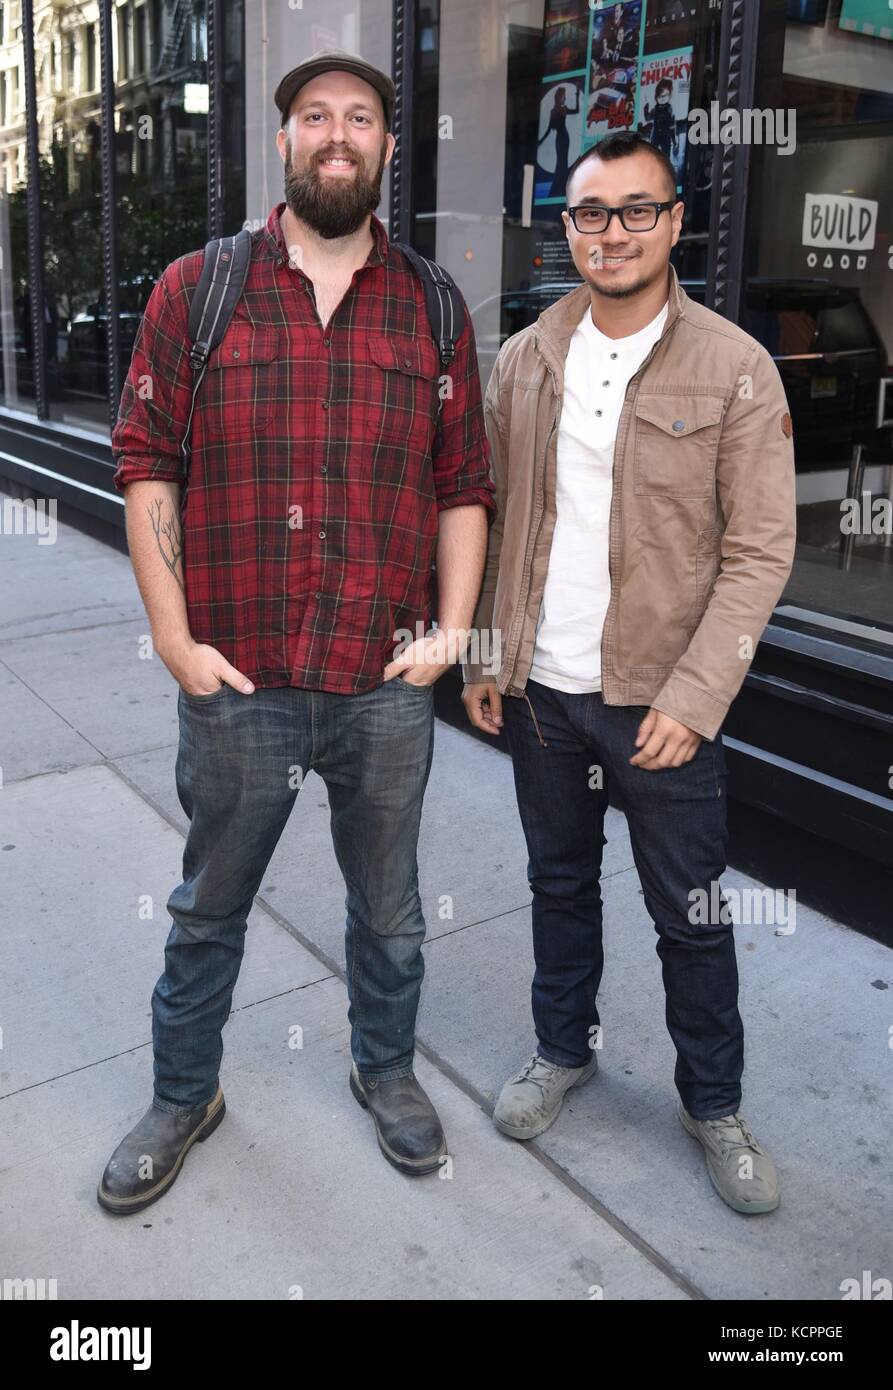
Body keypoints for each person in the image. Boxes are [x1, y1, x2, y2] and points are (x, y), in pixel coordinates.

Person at [99, 49, 495, 1214]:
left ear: (383, 146)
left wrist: (453, 631)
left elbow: (461, 481)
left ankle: (385, 1073)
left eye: (359, 118)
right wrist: (174, 642)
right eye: (314, 116)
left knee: (389, 912)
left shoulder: (430, 304)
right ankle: (185, 1094)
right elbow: (146, 468)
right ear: (282, 143)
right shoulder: (197, 289)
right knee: (206, 909)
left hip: (380, 681)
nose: (337, 134)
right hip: (239, 680)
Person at [462, 131, 796, 1216]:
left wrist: (694, 699)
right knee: (556, 887)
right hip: (541, 695)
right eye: (590, 212)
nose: (612, 232)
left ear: (674, 221)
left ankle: (713, 1104)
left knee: (690, 916)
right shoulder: (522, 357)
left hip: (661, 703)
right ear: (563, 227)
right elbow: (497, 519)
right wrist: (484, 652)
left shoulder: (732, 365)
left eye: (636, 210)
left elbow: (758, 553)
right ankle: (563, 1049)